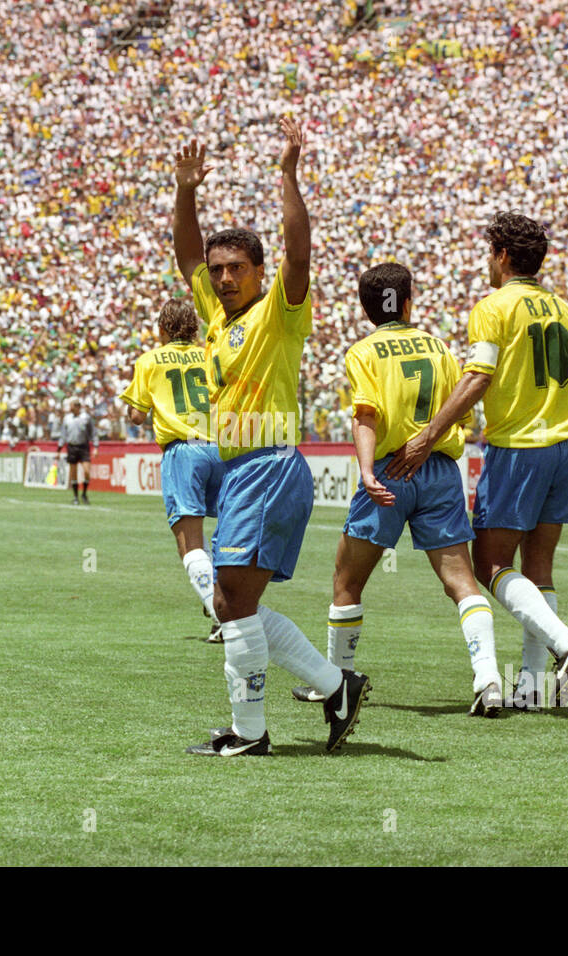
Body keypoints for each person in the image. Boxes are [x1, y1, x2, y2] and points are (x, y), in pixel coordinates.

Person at [172, 119, 369, 756]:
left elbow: (300, 250)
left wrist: (287, 172)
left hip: (269, 461)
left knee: (232, 603)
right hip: (241, 469)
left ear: (260, 271)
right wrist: (186, 193)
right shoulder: (217, 318)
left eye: (236, 269)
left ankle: (258, 731)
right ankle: (331, 691)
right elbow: (185, 256)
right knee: (234, 604)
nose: (224, 278)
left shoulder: (278, 312)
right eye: (218, 271)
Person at [387, 212, 568, 711]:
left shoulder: (494, 307)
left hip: (519, 449)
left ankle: (565, 642)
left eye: (490, 253)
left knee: (490, 564)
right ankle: (529, 687)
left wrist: (429, 435)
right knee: (540, 565)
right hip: (566, 450)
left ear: (502, 256)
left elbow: (478, 377)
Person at [290, 263, 504, 716]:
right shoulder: (440, 347)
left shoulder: (363, 352)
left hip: (389, 472)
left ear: (367, 309)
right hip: (440, 469)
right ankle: (488, 677)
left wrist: (367, 471)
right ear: (408, 302)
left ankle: (336, 682)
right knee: (461, 582)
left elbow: (366, 414)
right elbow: (461, 411)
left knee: (347, 582)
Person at [120, 299, 225, 642]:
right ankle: (223, 603)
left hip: (184, 451)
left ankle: (220, 611)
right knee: (227, 537)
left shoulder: (150, 360)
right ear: (194, 328)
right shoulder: (211, 354)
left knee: (190, 545)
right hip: (222, 448)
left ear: (162, 329)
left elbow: (137, 415)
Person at [57, 398, 98, 505]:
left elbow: (93, 432)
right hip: (72, 447)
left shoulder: (86, 418)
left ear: (77, 407)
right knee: (73, 472)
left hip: (84, 447)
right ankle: (75, 497)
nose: (70, 408)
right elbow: (63, 435)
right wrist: (59, 449)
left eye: (72, 406)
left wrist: (96, 446)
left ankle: (84, 493)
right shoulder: (67, 419)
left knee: (87, 471)